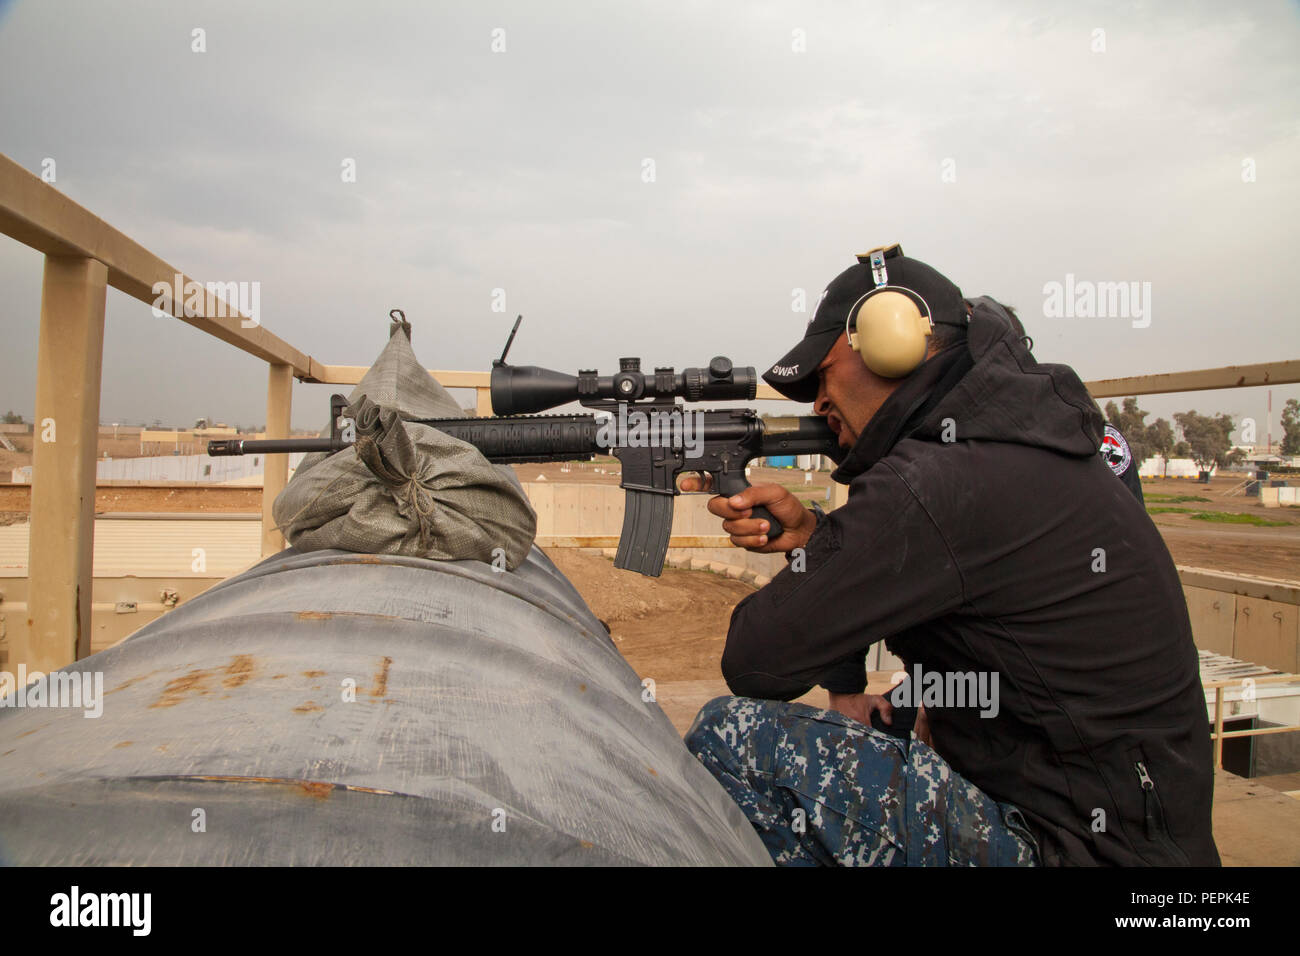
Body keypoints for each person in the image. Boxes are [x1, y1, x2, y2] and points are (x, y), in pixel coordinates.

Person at [681, 244, 1218, 866]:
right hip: (1141, 838)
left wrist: (825, 552)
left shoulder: (939, 480)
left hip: (1077, 851)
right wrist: (819, 537)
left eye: (822, 376)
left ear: (893, 341)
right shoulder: (1023, 441)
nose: (817, 405)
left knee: (733, 740)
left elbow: (756, 661)